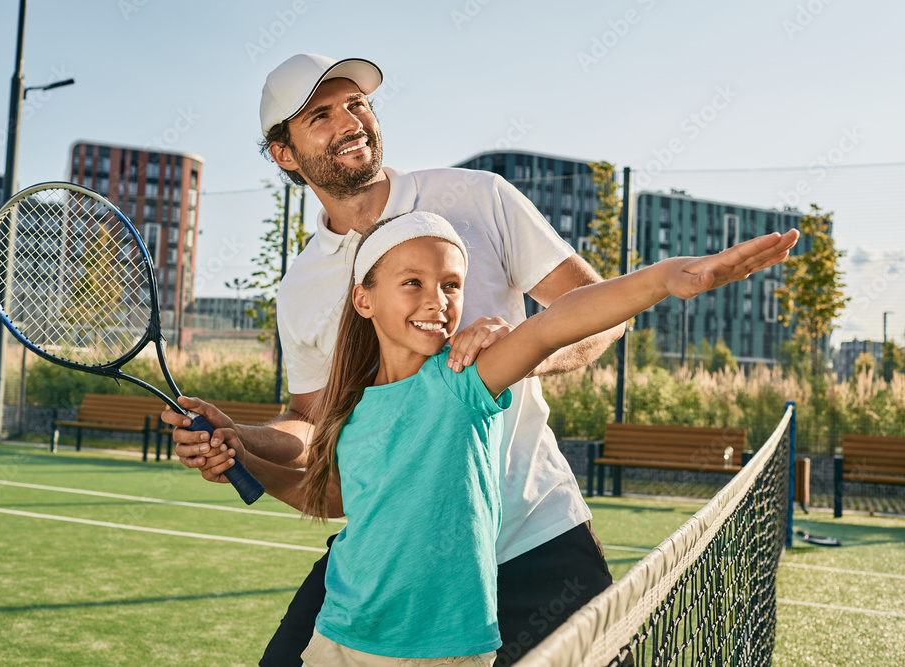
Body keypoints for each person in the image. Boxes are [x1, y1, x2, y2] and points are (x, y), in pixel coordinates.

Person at [191, 211, 798, 666]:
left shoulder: (465, 382)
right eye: (413, 282)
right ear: (364, 298)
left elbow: (557, 322)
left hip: (451, 649)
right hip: (338, 636)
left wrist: (667, 277)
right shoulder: (347, 405)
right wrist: (245, 459)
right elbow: (335, 501)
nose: (438, 300)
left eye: (452, 285)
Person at [168, 53, 618, 665]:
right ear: (285, 154)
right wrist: (240, 437)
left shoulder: (478, 195)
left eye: (357, 104)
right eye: (320, 115)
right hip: (390, 558)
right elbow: (315, 426)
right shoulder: (300, 286)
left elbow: (601, 312)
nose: (350, 121)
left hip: (535, 537)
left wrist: (507, 362)